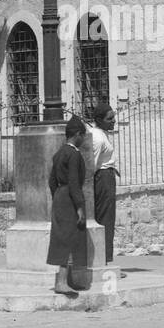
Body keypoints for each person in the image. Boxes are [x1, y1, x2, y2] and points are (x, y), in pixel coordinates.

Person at [47, 115, 90, 296]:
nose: (84, 139)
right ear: (77, 135)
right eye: (83, 135)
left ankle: (69, 280)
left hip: (60, 196)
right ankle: (61, 281)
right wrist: (79, 206)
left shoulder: (59, 153)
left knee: (64, 237)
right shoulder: (73, 154)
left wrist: (58, 196)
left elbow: (51, 181)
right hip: (70, 199)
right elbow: (74, 182)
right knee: (68, 238)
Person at [84, 102, 119, 266]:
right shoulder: (97, 137)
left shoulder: (102, 134)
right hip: (102, 178)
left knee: (108, 218)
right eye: (110, 118)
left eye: (114, 117)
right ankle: (102, 260)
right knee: (105, 218)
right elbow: (92, 164)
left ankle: (104, 258)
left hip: (107, 176)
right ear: (100, 120)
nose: (113, 121)